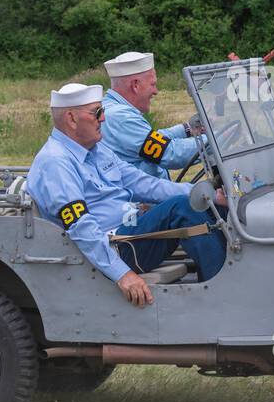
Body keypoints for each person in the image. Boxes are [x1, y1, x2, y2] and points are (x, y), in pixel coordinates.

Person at [26, 83, 227, 308]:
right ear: (72, 119)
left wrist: (208, 195)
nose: (103, 119)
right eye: (97, 113)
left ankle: (225, 281)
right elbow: (81, 228)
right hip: (116, 247)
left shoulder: (95, 148)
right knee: (183, 208)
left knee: (213, 207)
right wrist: (122, 274)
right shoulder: (56, 163)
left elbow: (144, 184)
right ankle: (223, 299)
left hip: (130, 231)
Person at [100, 51, 206, 180]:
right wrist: (217, 141)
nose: (156, 91)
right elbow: (170, 154)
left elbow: (149, 141)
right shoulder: (121, 118)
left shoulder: (110, 108)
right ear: (135, 85)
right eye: (153, 84)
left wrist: (188, 129)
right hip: (144, 198)